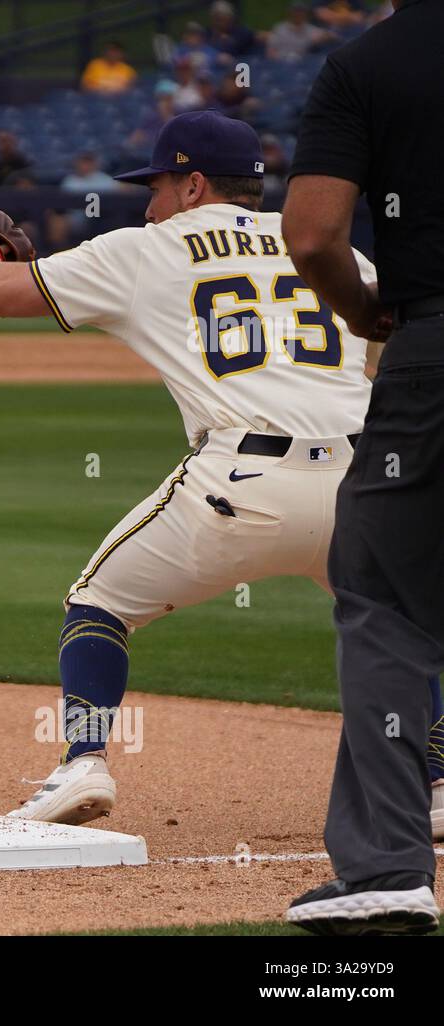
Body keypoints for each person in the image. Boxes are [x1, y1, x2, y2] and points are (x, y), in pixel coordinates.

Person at [0, 112, 395, 843]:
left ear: (192, 184)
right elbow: (386, 348)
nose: (148, 203)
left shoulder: (146, 250)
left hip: (240, 487)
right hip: (361, 484)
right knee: (405, 628)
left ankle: (83, 763)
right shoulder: (329, 247)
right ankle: (433, 782)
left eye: (155, 185)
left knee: (98, 602)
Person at [282, 0, 444, 936]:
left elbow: (312, 234)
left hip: (432, 350)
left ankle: (388, 869)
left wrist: (362, 310)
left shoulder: (366, 63)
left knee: (383, 599)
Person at [267, 2, 337, 60]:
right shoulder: (279, 29)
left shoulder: (311, 29)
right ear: (290, 13)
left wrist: (324, 36)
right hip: (281, 62)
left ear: (305, 13)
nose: (298, 14)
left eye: (301, 12)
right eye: (296, 11)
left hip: (303, 63)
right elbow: (271, 52)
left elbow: (332, 36)